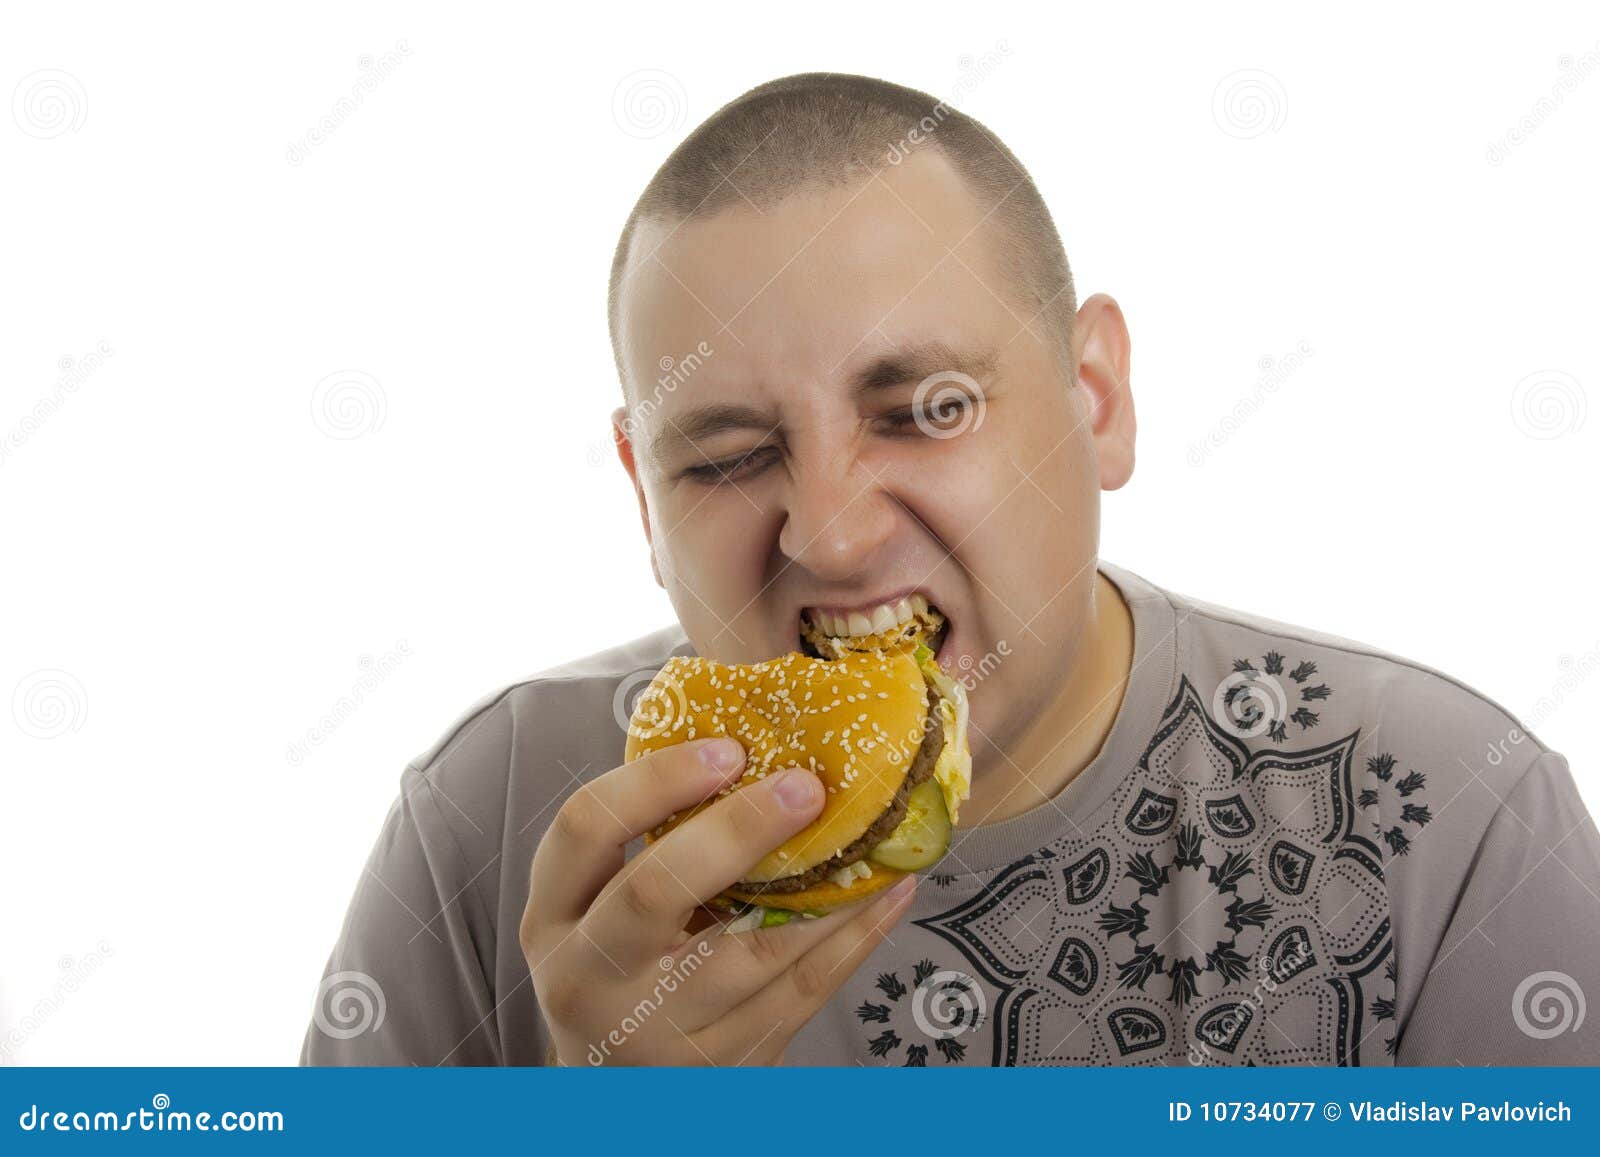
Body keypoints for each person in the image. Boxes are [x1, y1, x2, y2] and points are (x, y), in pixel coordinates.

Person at [301, 72, 1600, 1067]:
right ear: (645, 497)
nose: (831, 534)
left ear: (1096, 401)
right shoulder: (497, 815)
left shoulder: (1448, 818)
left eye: (925, 409)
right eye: (728, 456)